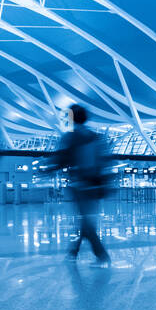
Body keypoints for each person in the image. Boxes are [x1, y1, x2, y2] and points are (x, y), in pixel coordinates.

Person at [50, 104, 111, 264]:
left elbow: (60, 158)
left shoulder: (71, 136)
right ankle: (73, 252)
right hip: (96, 185)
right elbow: (104, 161)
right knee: (85, 220)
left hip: (80, 184)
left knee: (85, 221)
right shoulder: (95, 137)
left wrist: (46, 169)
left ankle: (101, 255)